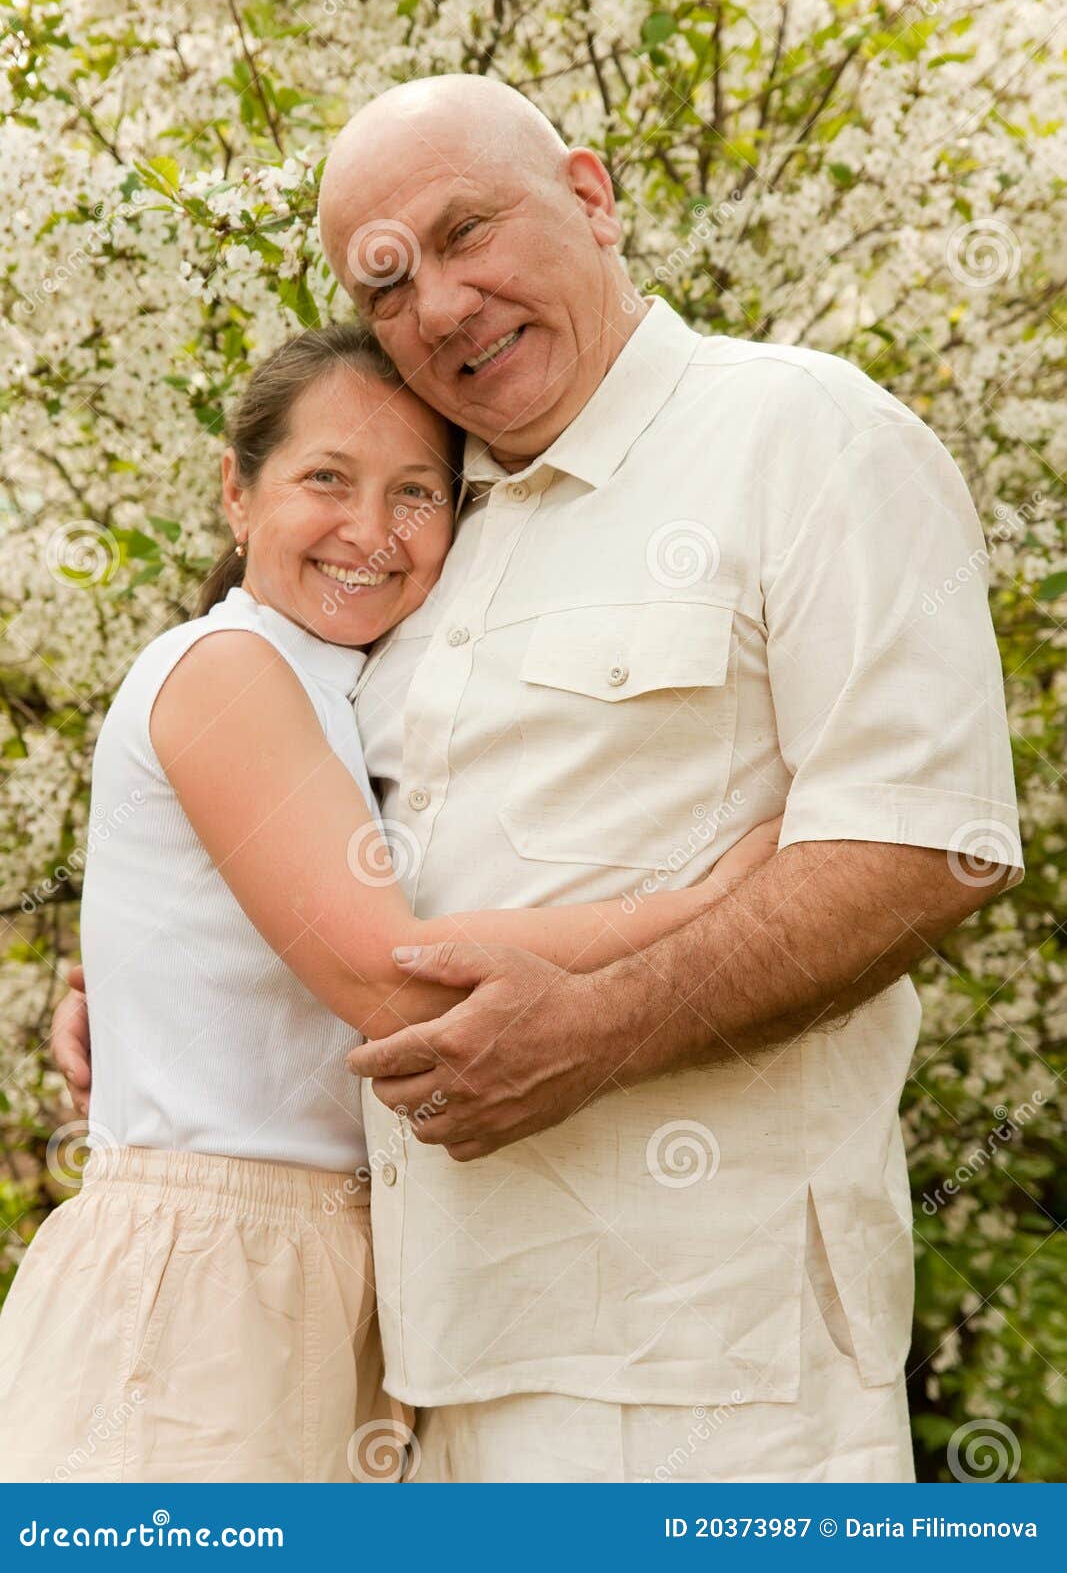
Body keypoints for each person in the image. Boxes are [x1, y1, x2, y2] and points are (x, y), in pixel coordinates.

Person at [53, 73, 1025, 1483]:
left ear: (588, 194)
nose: (439, 304)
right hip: (406, 1362)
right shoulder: (426, 534)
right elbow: (332, 859)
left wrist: (608, 1021)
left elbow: (925, 846)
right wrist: (166, 975)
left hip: (699, 1364)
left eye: (467, 230)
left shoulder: (801, 439)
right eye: (384, 283)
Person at [1, 323, 780, 1483]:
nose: (371, 532)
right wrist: (714, 899)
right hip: (211, 1278)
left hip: (343, 1271)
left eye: (417, 492)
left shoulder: (348, 690)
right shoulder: (225, 669)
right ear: (236, 490)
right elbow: (388, 971)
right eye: (326, 479)